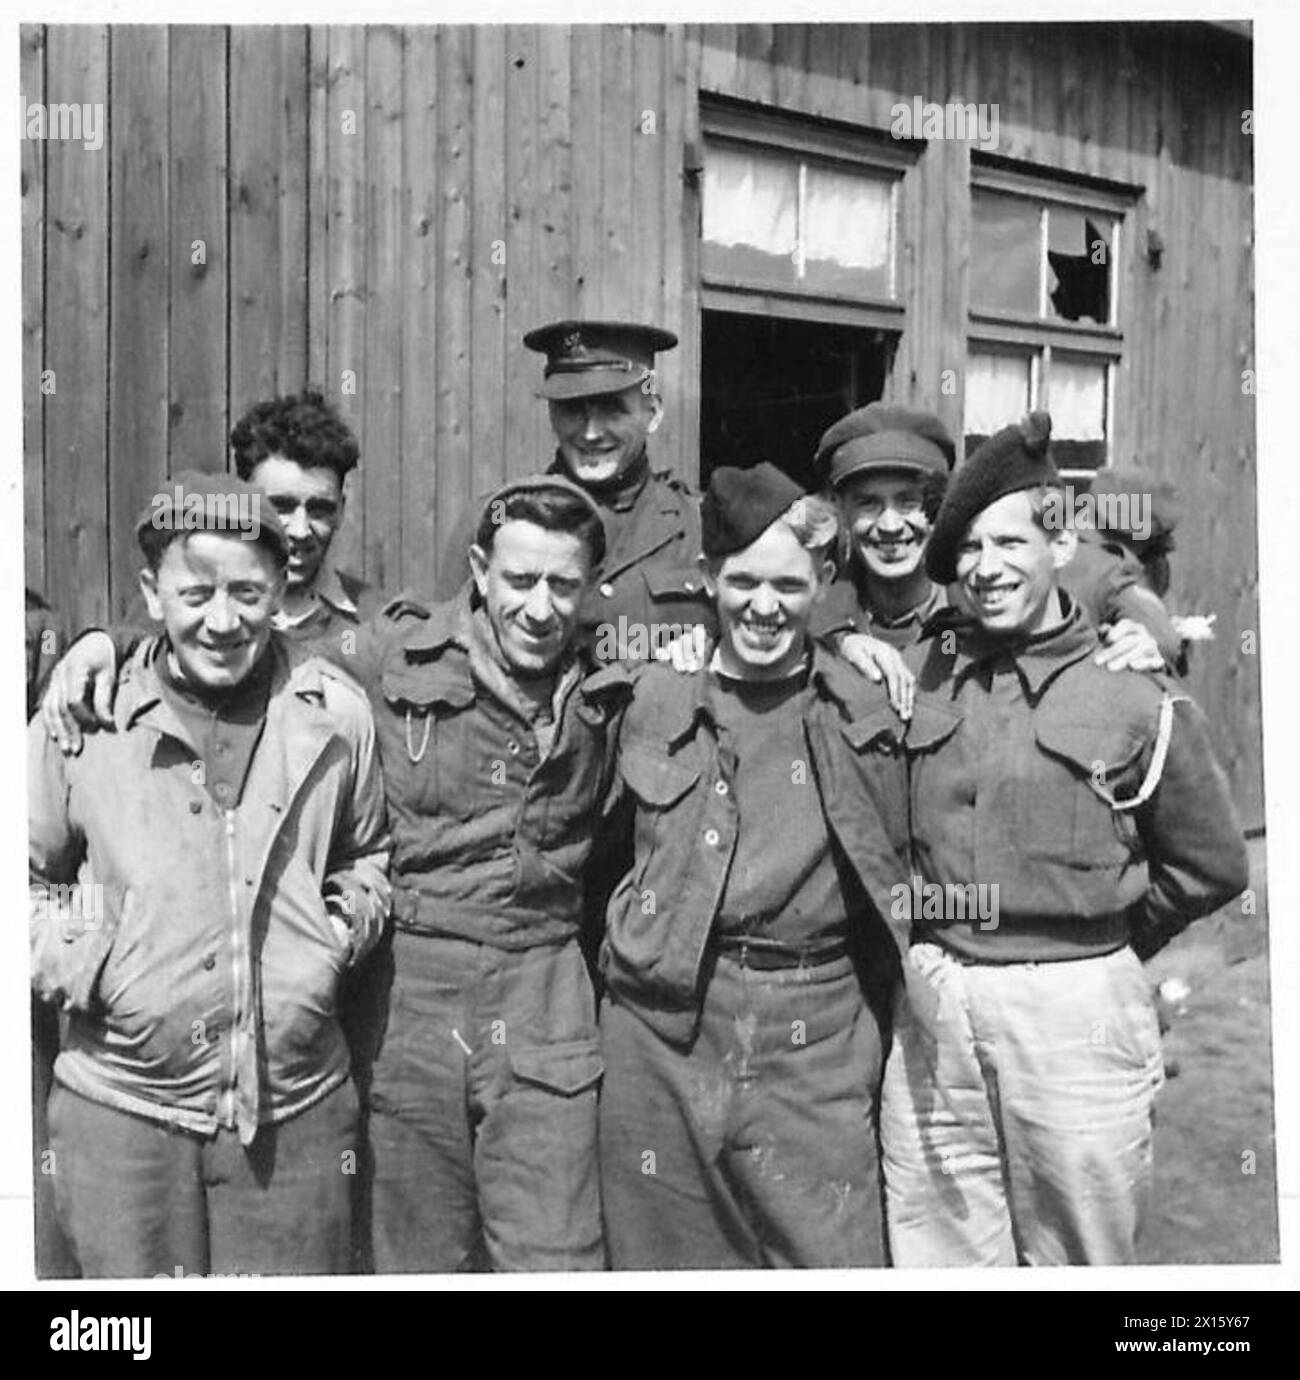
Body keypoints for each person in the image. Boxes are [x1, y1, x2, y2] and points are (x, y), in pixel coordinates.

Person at [879, 413, 1249, 1267]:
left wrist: (1103, 941)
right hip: (935, 1011)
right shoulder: (931, 671)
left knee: (1080, 1258)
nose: (986, 568)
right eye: (967, 551)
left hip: (1075, 1015)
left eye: (1009, 542)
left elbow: (1212, 862)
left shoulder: (1128, 687)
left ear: (1060, 544)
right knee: (939, 1254)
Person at [28, 472, 390, 1277]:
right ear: (151, 593)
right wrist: (94, 960)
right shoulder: (85, 718)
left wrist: (329, 939)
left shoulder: (333, 712)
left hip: (294, 1119)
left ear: (280, 589)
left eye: (248, 593)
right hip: (122, 1110)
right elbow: (25, 877)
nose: (222, 621)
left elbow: (369, 857)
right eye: (196, 593)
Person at [597, 463, 911, 1269]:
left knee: (830, 1256)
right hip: (664, 1032)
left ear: (825, 584)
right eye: (742, 581)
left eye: (787, 585)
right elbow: (585, 849)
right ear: (708, 579)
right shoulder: (652, 696)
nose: (763, 606)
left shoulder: (866, 706)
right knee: (666, 1260)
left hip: (818, 1034)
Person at [357, 475, 627, 1271]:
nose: (540, 608)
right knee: (415, 1256)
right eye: (519, 580)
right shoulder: (392, 652)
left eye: (562, 585)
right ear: (479, 570)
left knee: (557, 1254)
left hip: (544, 987)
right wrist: (110, 646)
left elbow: (757, 628)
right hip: (413, 991)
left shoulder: (613, 682)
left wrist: (844, 630)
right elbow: (249, 644)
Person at [813, 401, 1173, 675]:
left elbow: (1138, 630)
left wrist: (1145, 645)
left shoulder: (1004, 591)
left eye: (909, 502)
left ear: (940, 507)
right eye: (868, 504)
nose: (890, 526)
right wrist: (836, 638)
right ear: (841, 509)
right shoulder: (810, 611)